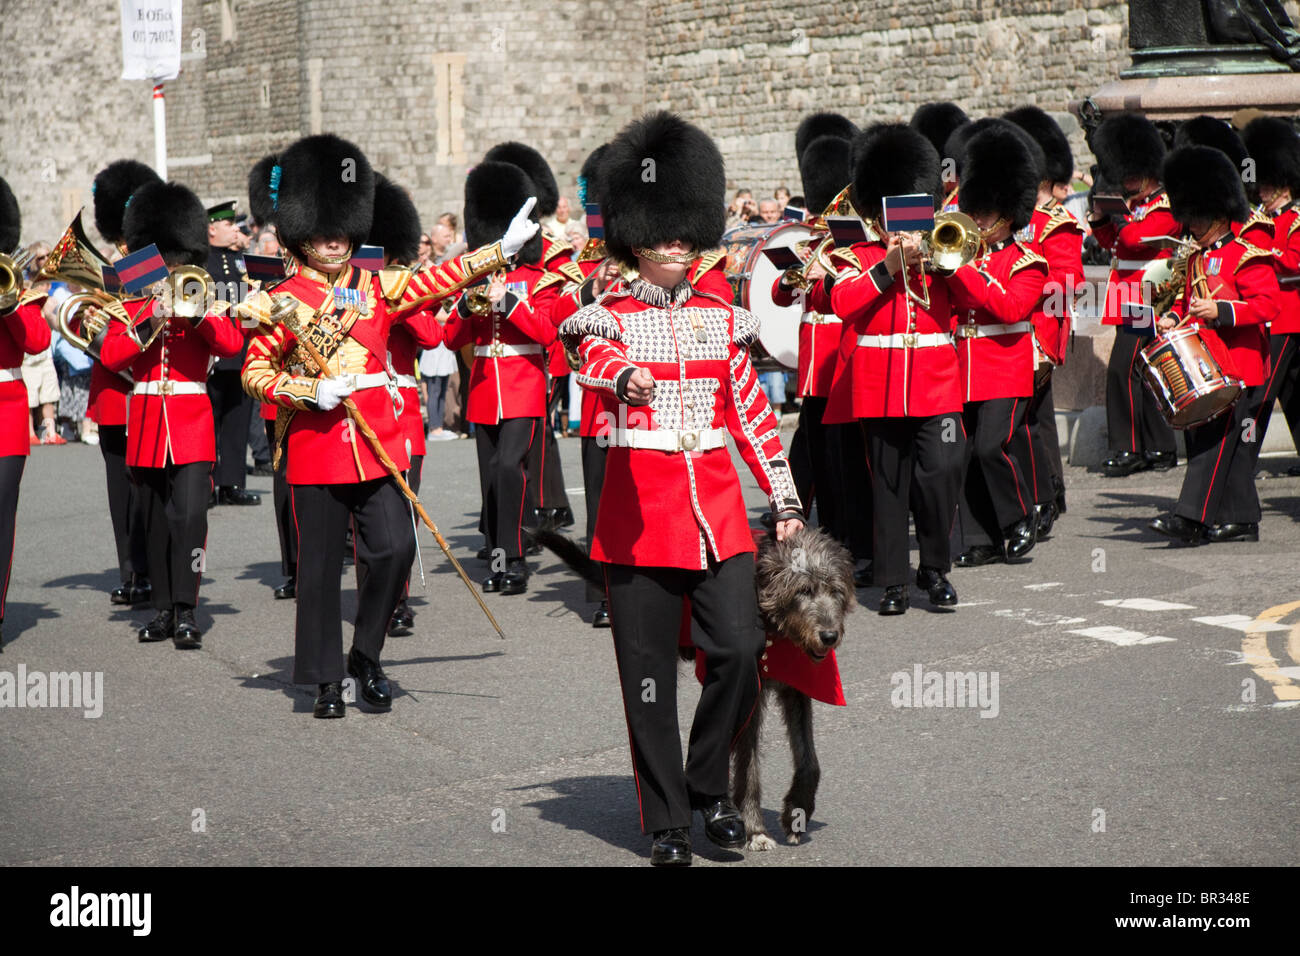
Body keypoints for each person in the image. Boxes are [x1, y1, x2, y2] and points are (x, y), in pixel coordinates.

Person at [559, 112, 804, 867]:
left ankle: (707, 790)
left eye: (682, 232)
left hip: (718, 517)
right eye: (661, 234)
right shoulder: (608, 317)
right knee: (647, 683)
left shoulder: (719, 321)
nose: (674, 245)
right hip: (638, 521)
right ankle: (667, 822)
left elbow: (753, 416)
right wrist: (622, 377)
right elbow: (587, 358)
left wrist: (785, 497)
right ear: (636, 239)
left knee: (736, 649)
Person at [239, 134, 539, 718]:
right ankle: (327, 680)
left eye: (342, 229)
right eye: (324, 230)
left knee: (396, 548)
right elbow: (254, 374)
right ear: (302, 233)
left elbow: (439, 280)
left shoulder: (374, 289)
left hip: (377, 449)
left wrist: (500, 250)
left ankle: (366, 655)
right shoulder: (277, 302)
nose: (334, 239)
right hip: (315, 450)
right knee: (321, 572)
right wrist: (309, 390)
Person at [825, 123, 964, 614]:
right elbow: (842, 301)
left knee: (941, 471)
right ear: (877, 216)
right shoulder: (857, 257)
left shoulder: (942, 253)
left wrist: (947, 265)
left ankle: (934, 567)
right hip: (880, 386)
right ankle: (893, 583)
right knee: (887, 485)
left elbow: (981, 298)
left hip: (938, 384)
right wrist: (886, 267)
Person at [100, 180, 245, 648]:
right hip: (145, 421)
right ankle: (163, 609)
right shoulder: (134, 302)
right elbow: (112, 356)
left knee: (190, 517)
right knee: (155, 521)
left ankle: (187, 608)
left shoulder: (202, 296)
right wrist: (151, 318)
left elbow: (231, 344)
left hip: (191, 422)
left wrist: (197, 314)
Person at [441, 159, 561, 595]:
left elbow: (548, 334)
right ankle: (496, 558)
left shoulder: (539, 279)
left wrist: (510, 301)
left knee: (511, 468)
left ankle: (515, 558)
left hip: (525, 386)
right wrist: (463, 304)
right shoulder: (473, 277)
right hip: (485, 390)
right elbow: (451, 339)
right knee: (491, 476)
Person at [1149, 146, 1280, 544]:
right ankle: (1241, 518)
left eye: (1198, 218)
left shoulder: (1246, 255)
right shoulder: (1196, 258)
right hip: (1205, 362)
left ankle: (1192, 518)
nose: (1191, 226)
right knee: (1230, 445)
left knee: (1214, 442)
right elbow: (1188, 303)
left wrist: (1222, 310)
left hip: (1239, 363)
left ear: (1220, 214)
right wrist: (1175, 315)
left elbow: (1267, 305)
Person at [947, 121, 1049, 568]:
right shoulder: (964, 255)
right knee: (967, 453)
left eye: (985, 215)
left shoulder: (1029, 262)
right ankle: (983, 538)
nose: (978, 221)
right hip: (962, 366)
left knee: (992, 446)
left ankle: (1020, 516)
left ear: (1006, 216)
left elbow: (1010, 310)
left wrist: (964, 271)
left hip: (1004, 367)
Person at [1004, 106, 1085, 535]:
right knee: (1033, 420)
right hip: (1009, 325)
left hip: (1038, 330)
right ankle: (1046, 494)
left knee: (1030, 420)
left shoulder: (1057, 222)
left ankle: (1044, 496)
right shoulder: (1010, 215)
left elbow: (1066, 285)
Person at [370, 173, 444, 636]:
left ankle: (397, 598)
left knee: (405, 511)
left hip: (405, 415)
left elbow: (433, 337)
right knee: (373, 520)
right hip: (367, 409)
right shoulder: (353, 290)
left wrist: (401, 298)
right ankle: (377, 596)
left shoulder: (406, 288)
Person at [1089, 112, 1182, 477]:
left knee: (1122, 370)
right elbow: (1113, 245)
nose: (1126, 181)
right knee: (1144, 372)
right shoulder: (1139, 206)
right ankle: (1159, 448)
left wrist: (1120, 216)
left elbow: (1132, 239)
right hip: (1128, 295)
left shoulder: (1166, 206)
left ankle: (1128, 448)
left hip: (1148, 294)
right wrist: (1101, 217)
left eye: (1131, 175)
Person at [87, 159, 158, 606]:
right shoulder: (104, 269)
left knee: (151, 488)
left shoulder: (159, 266)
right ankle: (131, 571)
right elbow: (84, 325)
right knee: (121, 490)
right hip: (116, 391)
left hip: (153, 388)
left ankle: (156, 569)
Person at [0, 177, 55, 652]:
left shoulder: (13, 287)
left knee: (1, 515)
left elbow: (37, 342)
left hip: (7, 413)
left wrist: (11, 302)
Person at [1241, 116, 1300, 476]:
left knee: (1258, 398)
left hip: (1285, 317)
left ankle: (1242, 459)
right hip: (1269, 313)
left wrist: (1260, 255)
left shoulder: (1295, 219)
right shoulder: (1263, 217)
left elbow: (1294, 264)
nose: (1260, 190)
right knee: (1293, 398)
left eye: (1266, 184)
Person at [206, 200, 261, 507]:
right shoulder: (202, 260)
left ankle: (232, 483)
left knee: (237, 421)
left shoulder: (240, 260)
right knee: (211, 421)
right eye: (228, 224)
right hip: (215, 351)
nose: (234, 229)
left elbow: (248, 303)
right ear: (212, 228)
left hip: (240, 350)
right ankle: (208, 483)